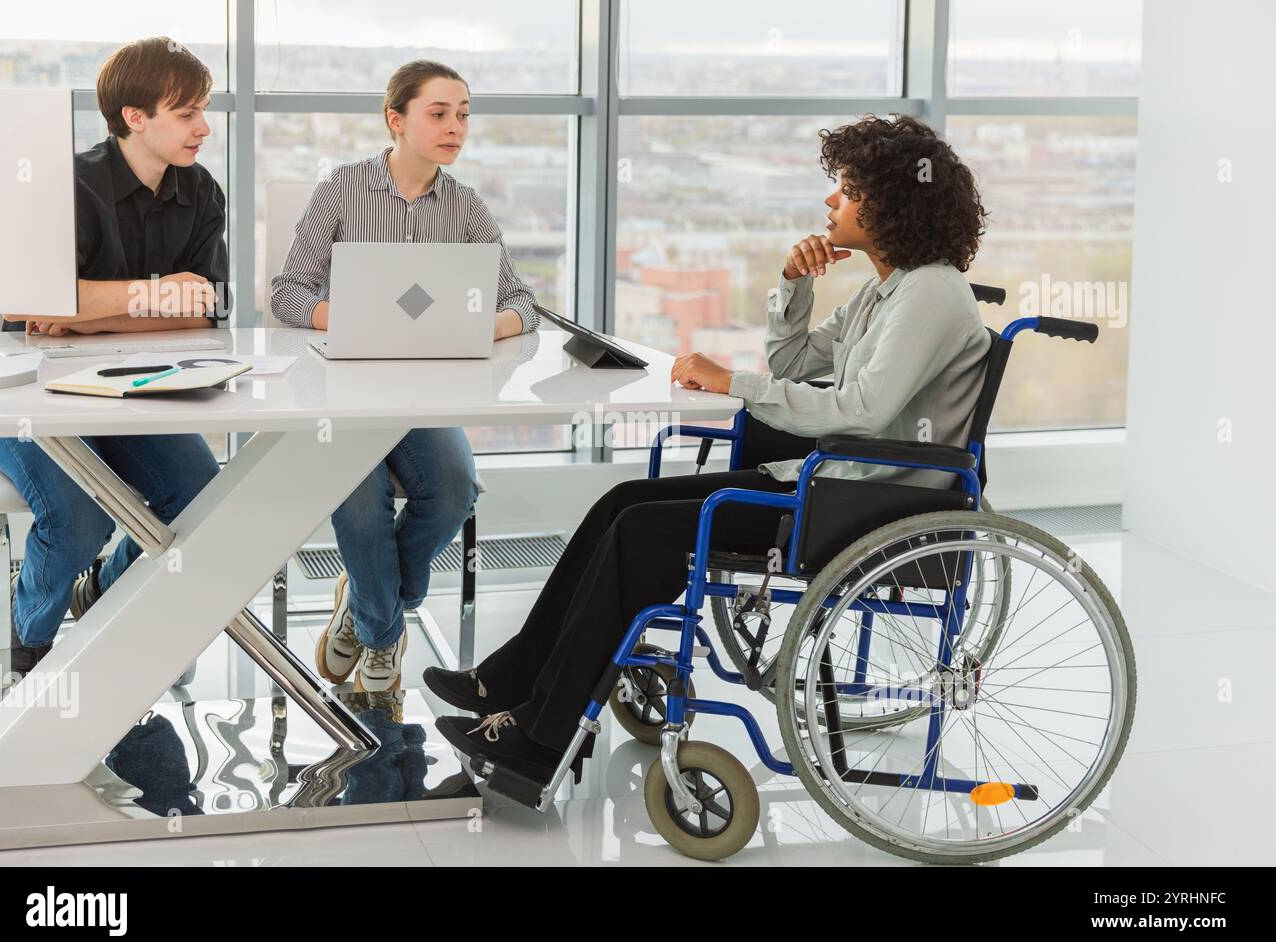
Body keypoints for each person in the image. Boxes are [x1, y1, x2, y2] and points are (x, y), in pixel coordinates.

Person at [423, 114, 993, 777]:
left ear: (890, 201)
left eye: (848, 189)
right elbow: (792, 362)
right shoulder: (885, 290)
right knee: (623, 502)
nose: (831, 200)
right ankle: (511, 677)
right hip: (832, 483)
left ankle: (543, 737)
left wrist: (731, 383)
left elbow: (863, 410)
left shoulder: (930, 292)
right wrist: (794, 282)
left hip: (864, 504)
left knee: (643, 532)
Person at [271, 60, 540, 693]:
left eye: (463, 115)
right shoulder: (343, 189)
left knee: (454, 489)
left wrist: (479, 326)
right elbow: (288, 293)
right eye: (439, 114)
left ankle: (367, 609)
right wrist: (361, 320)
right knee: (361, 507)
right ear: (396, 119)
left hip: (424, 399)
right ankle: (383, 636)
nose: (455, 128)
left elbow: (523, 303)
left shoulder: (465, 208)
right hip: (346, 394)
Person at [0, 37, 227, 686]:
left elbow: (206, 309)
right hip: (32, 394)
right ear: (135, 117)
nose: (204, 128)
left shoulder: (201, 191)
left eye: (203, 111)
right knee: (78, 516)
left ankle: (106, 593)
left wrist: (86, 311)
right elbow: (30, 309)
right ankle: (28, 651)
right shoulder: (68, 186)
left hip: (135, 389)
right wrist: (158, 293)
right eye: (187, 113)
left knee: (204, 497)